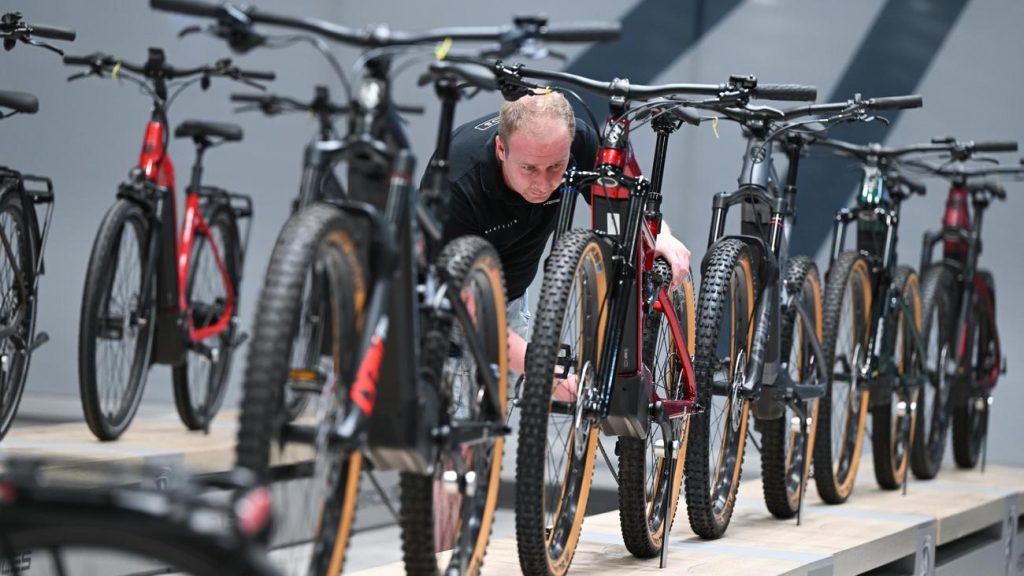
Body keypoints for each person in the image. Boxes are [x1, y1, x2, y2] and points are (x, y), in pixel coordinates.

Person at [431, 90, 691, 400]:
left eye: (556, 167)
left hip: (511, 294)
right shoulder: (455, 183)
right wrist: (543, 371)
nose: (542, 184)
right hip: (450, 307)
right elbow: (459, 300)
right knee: (449, 431)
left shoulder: (577, 140)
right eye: (529, 168)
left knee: (489, 427)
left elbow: (624, 199)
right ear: (501, 148)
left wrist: (656, 234)